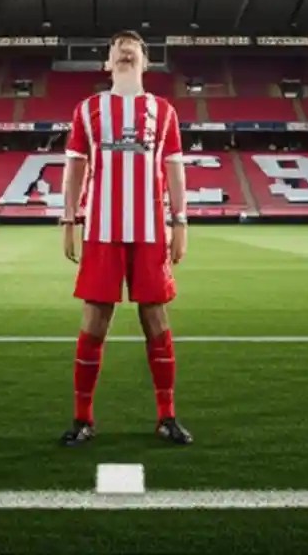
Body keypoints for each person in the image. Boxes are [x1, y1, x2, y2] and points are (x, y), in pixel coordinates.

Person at [58, 30, 192, 447]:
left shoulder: (164, 111)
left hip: (151, 229)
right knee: (95, 319)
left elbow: (173, 168)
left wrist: (180, 221)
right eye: (117, 48)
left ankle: (167, 417)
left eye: (133, 48)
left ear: (145, 63)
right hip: (101, 228)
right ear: (107, 63)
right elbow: (75, 167)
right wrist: (68, 220)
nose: (125, 50)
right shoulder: (88, 110)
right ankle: (83, 420)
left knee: (155, 318)